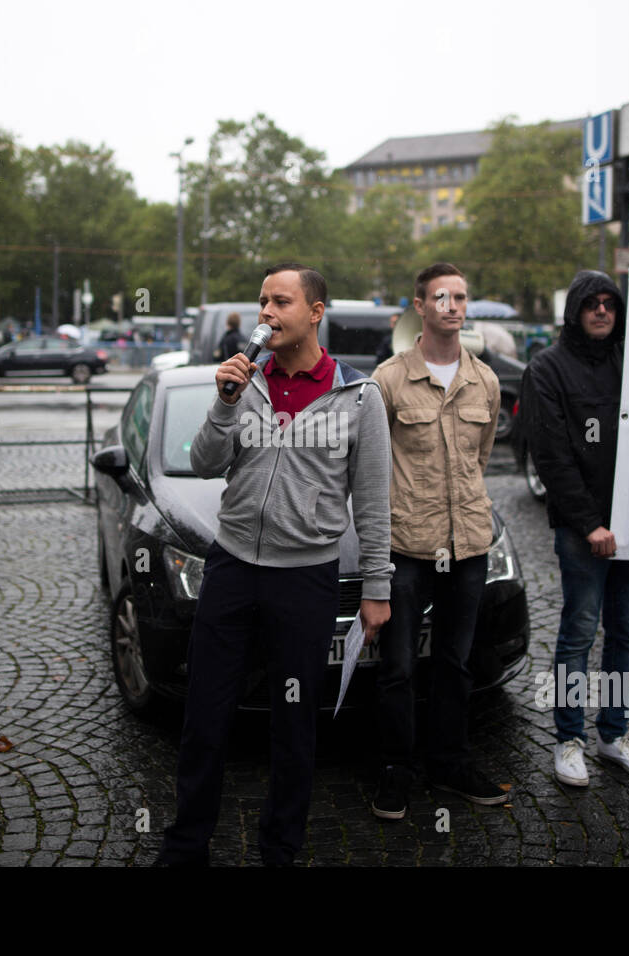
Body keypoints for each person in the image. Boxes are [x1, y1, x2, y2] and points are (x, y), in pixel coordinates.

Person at [157, 263, 392, 866]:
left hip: (305, 579)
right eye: (262, 301)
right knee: (205, 717)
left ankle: (280, 849)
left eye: (280, 301)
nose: (266, 312)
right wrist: (224, 402)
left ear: (315, 311)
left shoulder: (358, 395)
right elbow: (207, 462)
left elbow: (371, 497)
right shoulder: (247, 382)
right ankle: (187, 847)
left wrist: (376, 585)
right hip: (232, 568)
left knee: (293, 723)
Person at [521, 259, 629, 787]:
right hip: (585, 531)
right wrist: (589, 524)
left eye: (610, 304)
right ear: (574, 312)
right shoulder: (548, 368)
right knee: (579, 631)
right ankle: (569, 739)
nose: (602, 311)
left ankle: (615, 734)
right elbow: (552, 456)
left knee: (624, 633)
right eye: (591, 304)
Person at [370, 264, 504, 818]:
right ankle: (396, 769)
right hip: (407, 546)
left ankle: (450, 762)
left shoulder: (485, 381)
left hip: (468, 547)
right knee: (397, 667)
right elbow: (371, 471)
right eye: (442, 297)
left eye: (462, 297)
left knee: (456, 661)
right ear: (420, 306)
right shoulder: (388, 380)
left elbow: (482, 458)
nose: (454, 305)